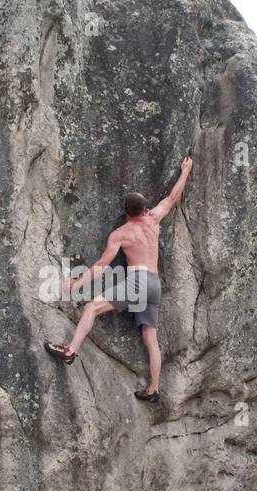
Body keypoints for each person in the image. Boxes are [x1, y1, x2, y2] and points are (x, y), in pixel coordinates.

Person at [44, 157, 194, 402]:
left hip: (137, 283)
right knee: (150, 338)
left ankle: (71, 351)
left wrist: (76, 283)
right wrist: (185, 171)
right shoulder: (154, 219)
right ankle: (154, 389)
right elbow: (172, 198)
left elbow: (103, 265)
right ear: (145, 209)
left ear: (125, 212)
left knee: (91, 307)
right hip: (154, 284)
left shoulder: (120, 234)